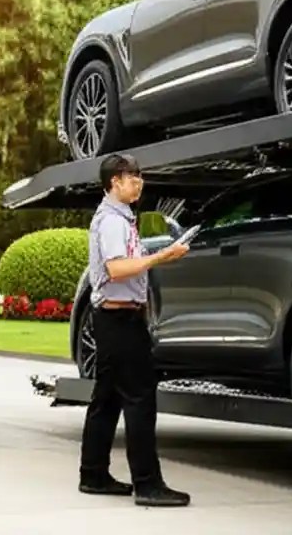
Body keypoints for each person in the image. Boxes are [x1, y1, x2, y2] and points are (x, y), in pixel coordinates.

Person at [78, 153, 192, 507]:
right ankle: (148, 484)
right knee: (140, 399)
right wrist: (162, 257)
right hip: (120, 320)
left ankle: (93, 474)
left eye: (140, 176)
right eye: (132, 177)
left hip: (114, 319)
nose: (139, 182)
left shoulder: (120, 218)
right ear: (114, 181)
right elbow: (117, 268)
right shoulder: (112, 221)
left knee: (108, 398)